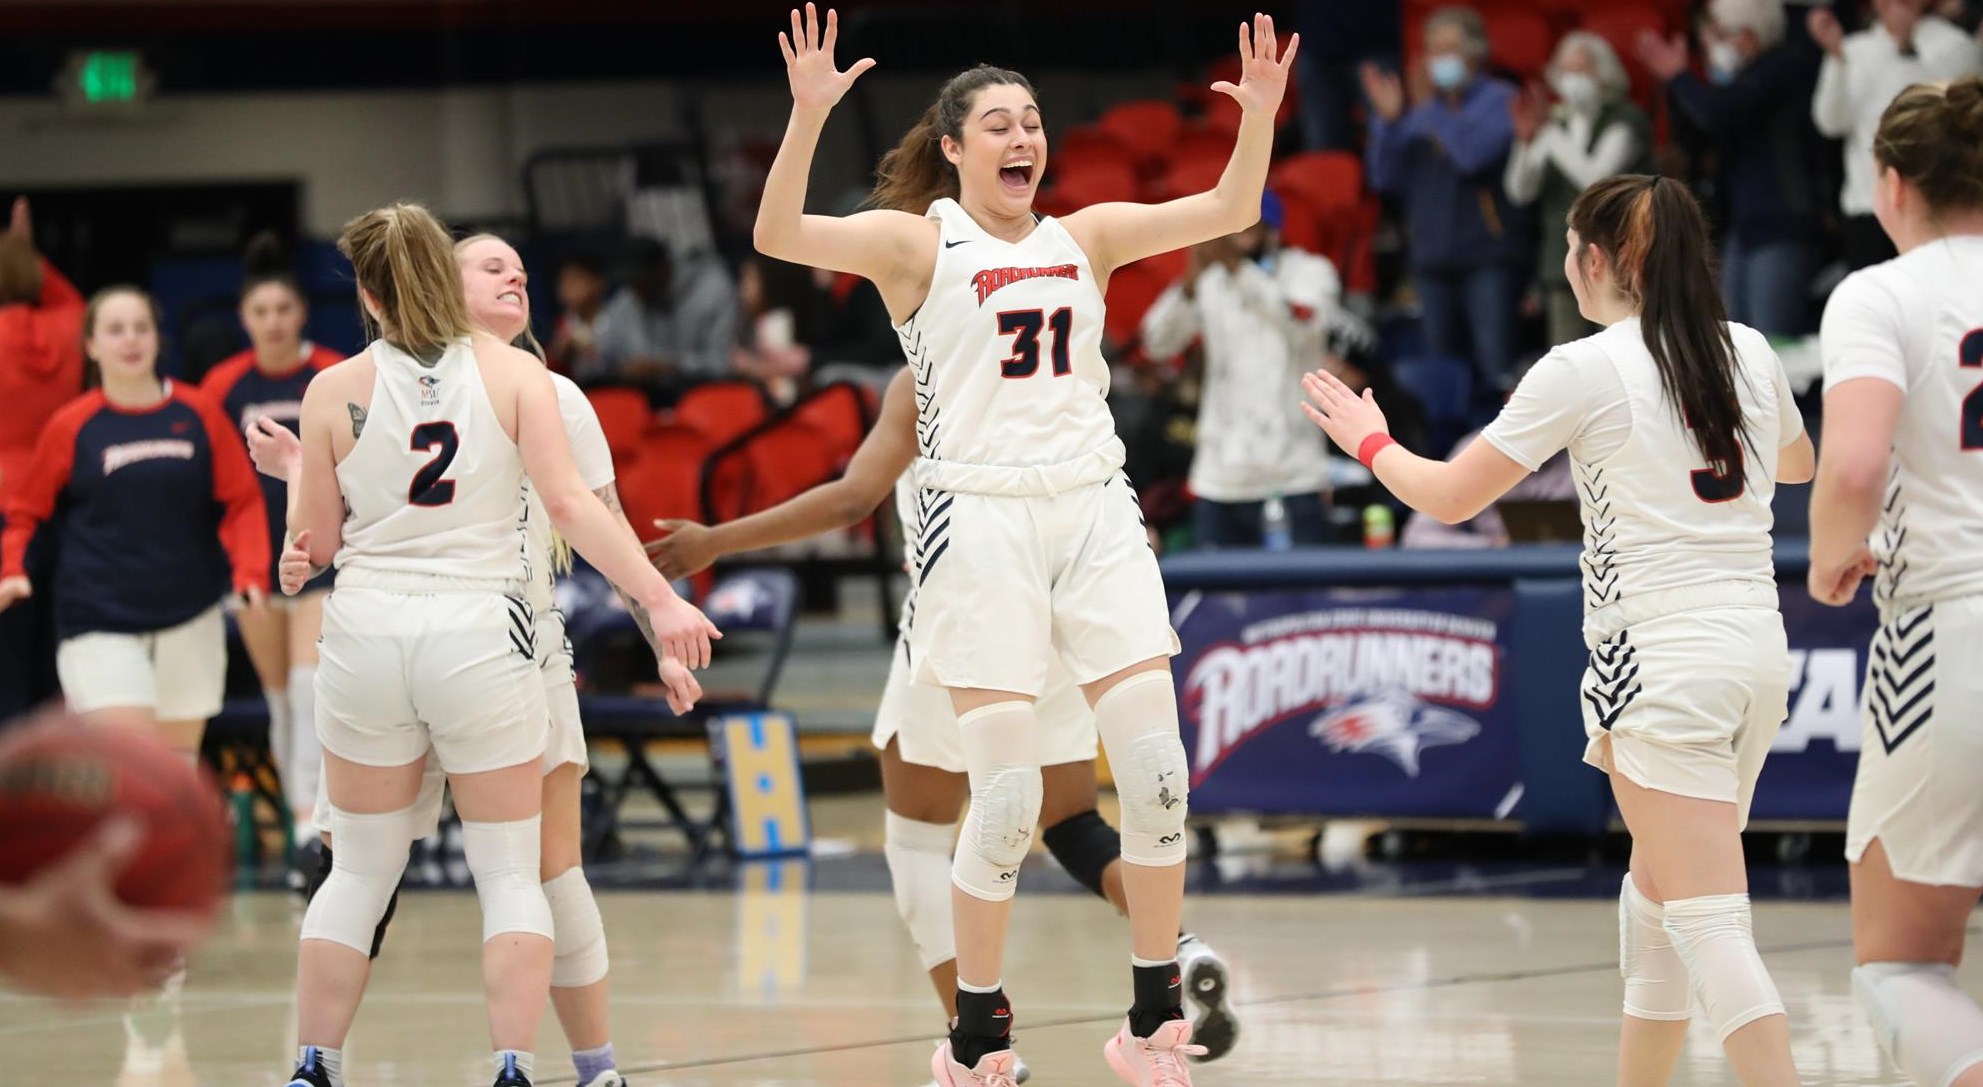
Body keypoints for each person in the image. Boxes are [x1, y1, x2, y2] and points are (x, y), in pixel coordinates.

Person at [753, 7, 1294, 1084]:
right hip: (978, 517)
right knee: (1004, 803)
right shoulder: (920, 242)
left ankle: (1151, 1019)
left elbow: (1233, 204)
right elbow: (779, 233)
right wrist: (810, 117)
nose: (1022, 138)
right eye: (997, 123)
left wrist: (1263, 114)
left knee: (1155, 772)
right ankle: (976, 1044)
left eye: (1034, 121)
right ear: (954, 151)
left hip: (1093, 505)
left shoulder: (1083, 235)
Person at [1303, 173, 1814, 1086]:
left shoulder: (1581, 366)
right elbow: (1797, 462)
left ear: (1602, 259)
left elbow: (1452, 497)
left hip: (1659, 659)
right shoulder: (1747, 349)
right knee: (1652, 907)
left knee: (1708, 925)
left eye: (1570, 249)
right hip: (1756, 656)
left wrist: (1371, 443)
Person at [647, 366, 1242, 1073]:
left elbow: (853, 497)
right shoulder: (1060, 346)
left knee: (918, 841)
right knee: (1070, 819)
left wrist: (717, 539)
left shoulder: (923, 374)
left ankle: (980, 1044)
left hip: (972, 616)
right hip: (1068, 609)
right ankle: (1169, 947)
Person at [272, 202, 714, 1087]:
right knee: (512, 872)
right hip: (485, 630)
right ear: (442, 279)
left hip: (368, 627)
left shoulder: (332, 388)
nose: (512, 277)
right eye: (489, 266)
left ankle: (314, 1065)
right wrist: (664, 603)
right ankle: (522, 1066)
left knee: (358, 868)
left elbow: (312, 550)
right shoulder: (515, 379)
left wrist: (295, 490)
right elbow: (579, 511)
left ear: (366, 291)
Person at [1808, 77, 1983, 1087]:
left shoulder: (1880, 293)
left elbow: (1857, 463)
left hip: (1950, 627)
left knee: (1904, 962)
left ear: (1891, 182)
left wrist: (1836, 549)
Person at [0, 286, 270, 761]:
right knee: (129, 756)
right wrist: (13, 567)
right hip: (98, 618)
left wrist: (249, 572)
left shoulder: (197, 413)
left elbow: (241, 501)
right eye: (115, 330)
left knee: (178, 764)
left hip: (191, 611)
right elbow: (27, 510)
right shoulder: (71, 425)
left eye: (141, 328)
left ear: (157, 339)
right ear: (90, 345)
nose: (130, 340)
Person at [201, 235, 344, 830]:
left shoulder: (332, 374)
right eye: (261, 312)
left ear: (302, 313)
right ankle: (296, 810)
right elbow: (209, 477)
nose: (273, 322)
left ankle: (313, 813)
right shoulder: (223, 385)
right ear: (245, 319)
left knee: (311, 685)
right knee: (280, 695)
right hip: (251, 558)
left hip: (320, 553)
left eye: (283, 310)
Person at [1139, 190, 1338, 549]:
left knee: (1301, 598)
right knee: (1224, 601)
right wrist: (1189, 284)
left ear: (1273, 228)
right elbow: (1156, 343)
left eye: (1250, 225)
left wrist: (1237, 269)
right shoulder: (1212, 282)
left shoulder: (1310, 272)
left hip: (1294, 472)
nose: (1237, 235)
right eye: (1231, 226)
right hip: (1220, 476)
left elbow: (1303, 323)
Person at [1362, 6, 1527, 391]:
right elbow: (1383, 177)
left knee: (1495, 368)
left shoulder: (1501, 100)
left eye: (1448, 49)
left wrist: (1425, 113)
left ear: (1475, 51)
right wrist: (1387, 123)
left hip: (1488, 256)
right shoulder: (1424, 111)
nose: (1438, 60)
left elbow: (1471, 156)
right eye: (1432, 50)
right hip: (1431, 260)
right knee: (1440, 375)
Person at [1637, 0, 1826, 337]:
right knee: (1734, 343)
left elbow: (1717, 114)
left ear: (1749, 36)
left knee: (1771, 346)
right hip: (1741, 227)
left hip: (1781, 224)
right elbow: (1698, 129)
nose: (1714, 45)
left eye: (1721, 35)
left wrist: (1679, 76)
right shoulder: (1738, 81)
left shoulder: (1782, 67)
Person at [1505, 31, 1655, 347]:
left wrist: (1548, 135)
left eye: (1582, 70)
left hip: (1618, 261)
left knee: (1618, 355)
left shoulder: (1624, 119)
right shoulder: (1555, 126)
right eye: (1566, 70)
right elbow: (1520, 191)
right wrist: (1526, 141)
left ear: (1603, 73)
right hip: (1563, 263)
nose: (1572, 79)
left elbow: (1595, 179)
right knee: (1568, 357)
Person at [1809, 0, 1983, 270]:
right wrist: (1836, 57)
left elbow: (1961, 108)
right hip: (1866, 205)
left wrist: (1908, 45)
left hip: (1935, 203)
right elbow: (1829, 122)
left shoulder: (1952, 43)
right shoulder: (1855, 49)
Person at [0, 196, 84, 726]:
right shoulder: (72, 324)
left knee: (6, 646)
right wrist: (29, 254)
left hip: (4, 509)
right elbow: (71, 298)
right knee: (57, 636)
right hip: (58, 500)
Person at [583, 237, 741, 397]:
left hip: (704, 396)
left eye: (640, 280)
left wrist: (670, 366)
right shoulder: (629, 298)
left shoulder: (713, 289)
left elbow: (725, 363)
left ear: (663, 269)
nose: (636, 289)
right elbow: (603, 358)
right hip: (643, 399)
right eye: (630, 282)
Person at [547, 255, 607, 378]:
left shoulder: (616, 317)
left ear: (597, 283)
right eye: (563, 282)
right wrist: (560, 351)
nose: (567, 288)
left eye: (574, 281)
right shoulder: (563, 324)